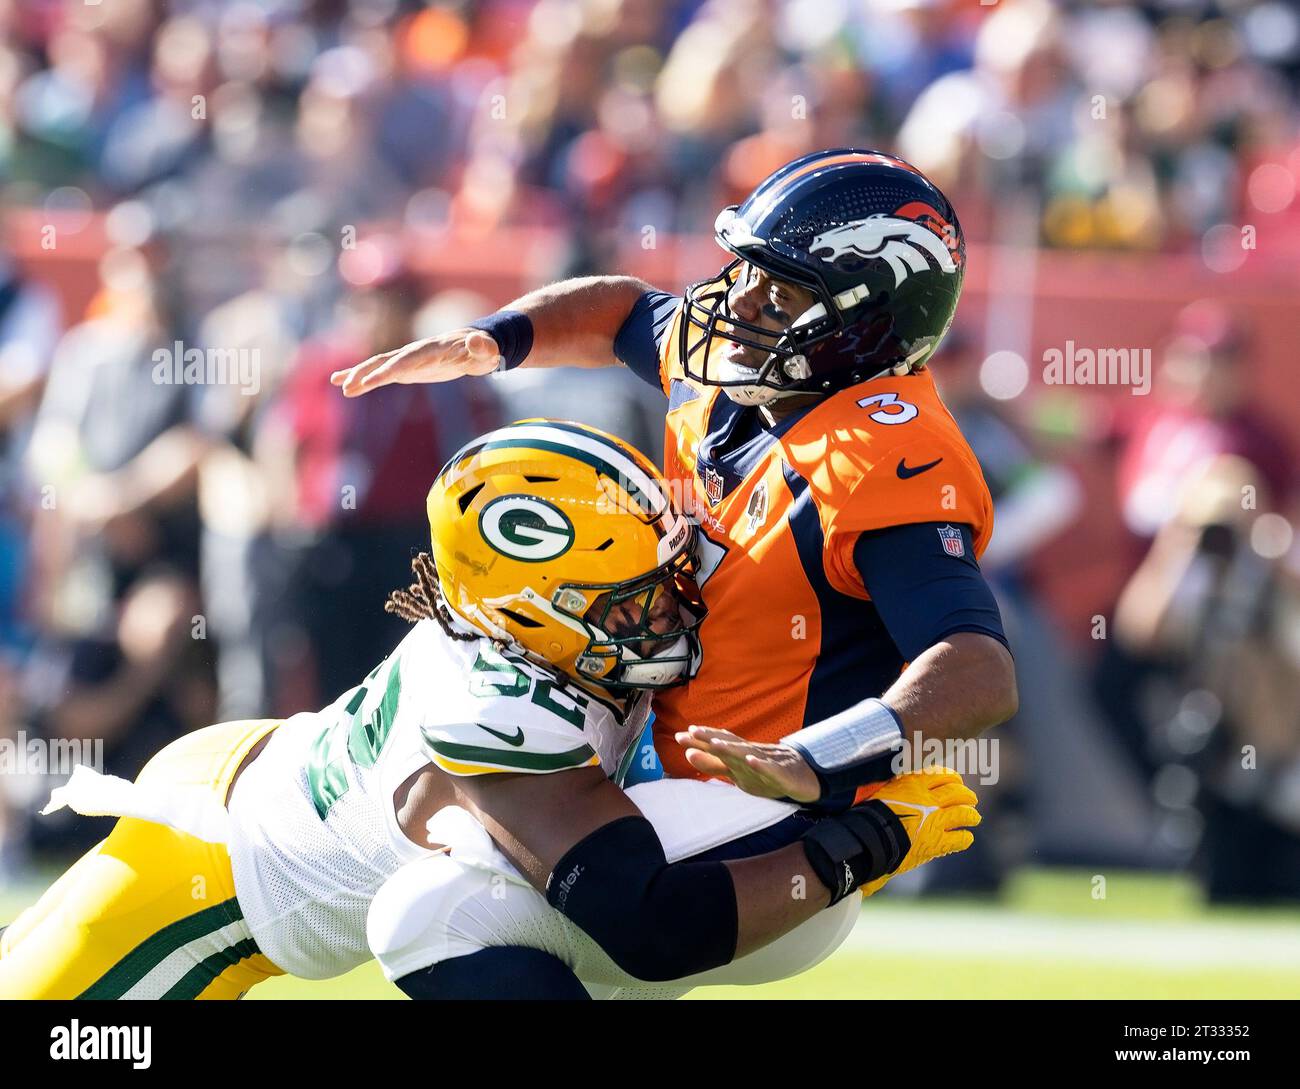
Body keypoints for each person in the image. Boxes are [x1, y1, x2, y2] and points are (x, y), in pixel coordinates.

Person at [0, 421, 978, 999]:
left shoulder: (537, 632)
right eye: (628, 604)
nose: (670, 612)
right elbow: (648, 924)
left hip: (264, 769)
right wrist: (868, 842)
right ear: (526, 615)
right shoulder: (502, 706)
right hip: (210, 882)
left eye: (663, 578)